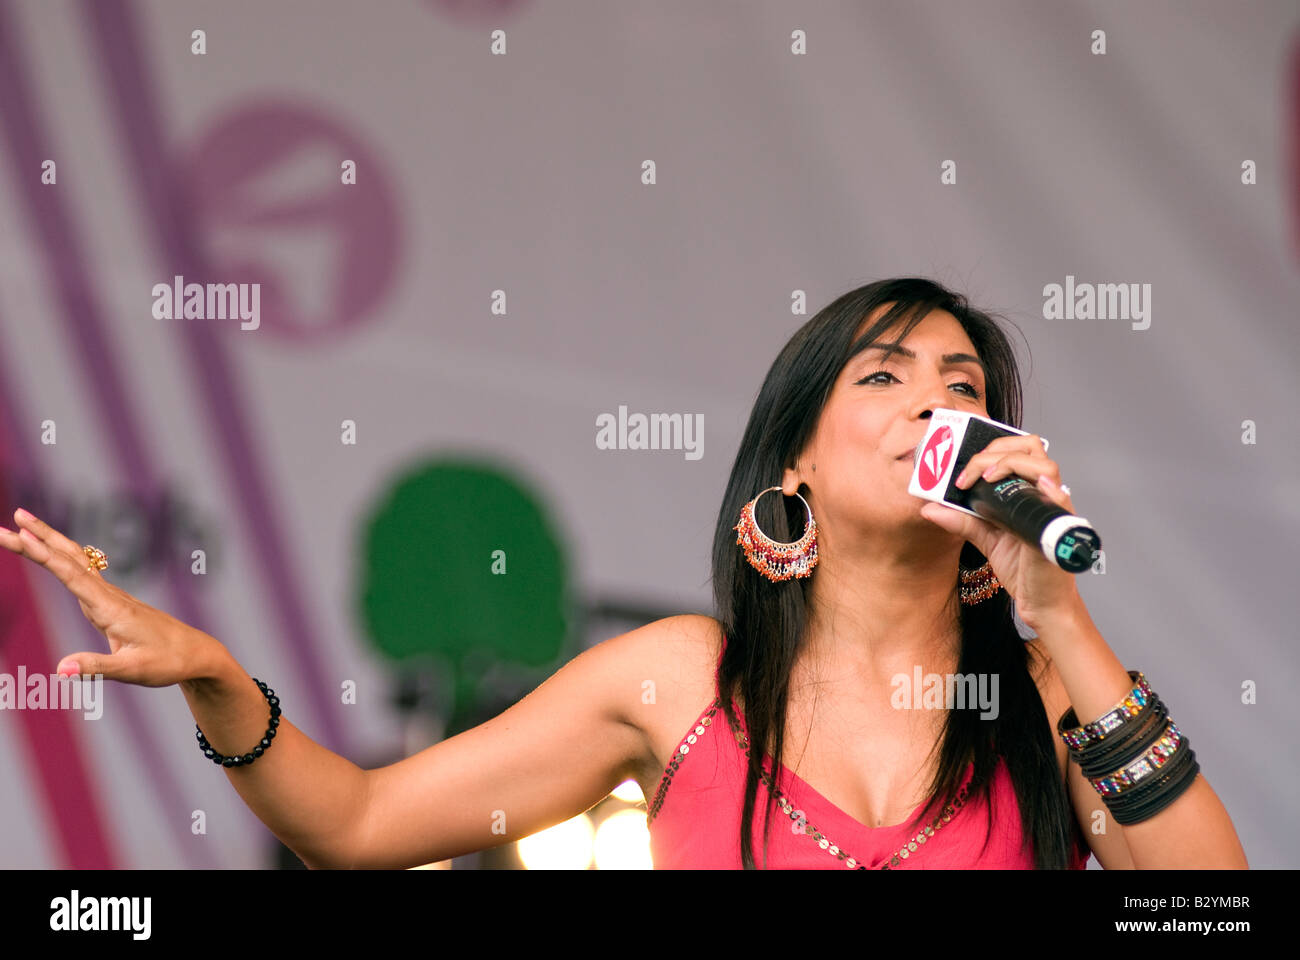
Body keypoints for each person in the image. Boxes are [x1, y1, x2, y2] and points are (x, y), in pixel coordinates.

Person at [1, 277, 1248, 870]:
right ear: (793, 471)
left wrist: (1058, 617)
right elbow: (361, 823)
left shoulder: (1045, 698)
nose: (935, 402)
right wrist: (223, 684)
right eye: (883, 377)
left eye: (962, 386)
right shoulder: (678, 680)